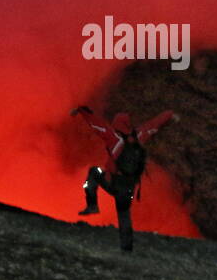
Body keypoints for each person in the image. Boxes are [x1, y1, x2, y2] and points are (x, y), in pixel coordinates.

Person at [69, 105, 179, 252]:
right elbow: (154, 124)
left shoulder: (113, 136)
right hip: (129, 188)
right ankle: (126, 248)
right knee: (124, 215)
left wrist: (82, 111)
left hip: (113, 182)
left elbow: (96, 124)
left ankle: (92, 205)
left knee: (93, 172)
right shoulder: (139, 136)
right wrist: (169, 114)